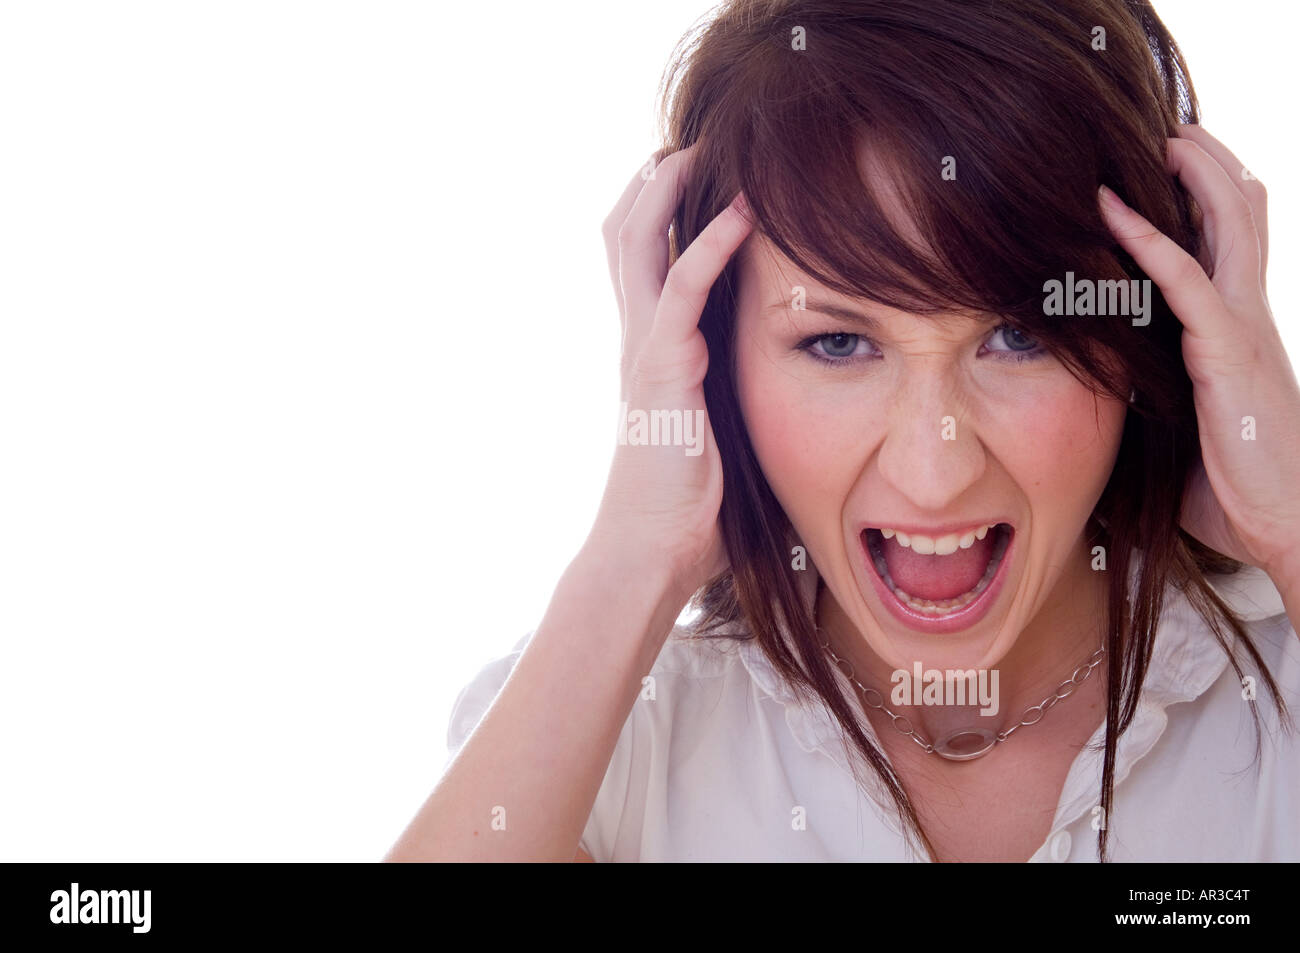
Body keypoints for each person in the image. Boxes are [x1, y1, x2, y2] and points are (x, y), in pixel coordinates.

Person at [385, 0, 1300, 862]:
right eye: (836, 341)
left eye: (1020, 336)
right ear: (713, 360)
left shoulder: (1273, 689)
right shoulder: (611, 736)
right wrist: (632, 557)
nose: (934, 470)